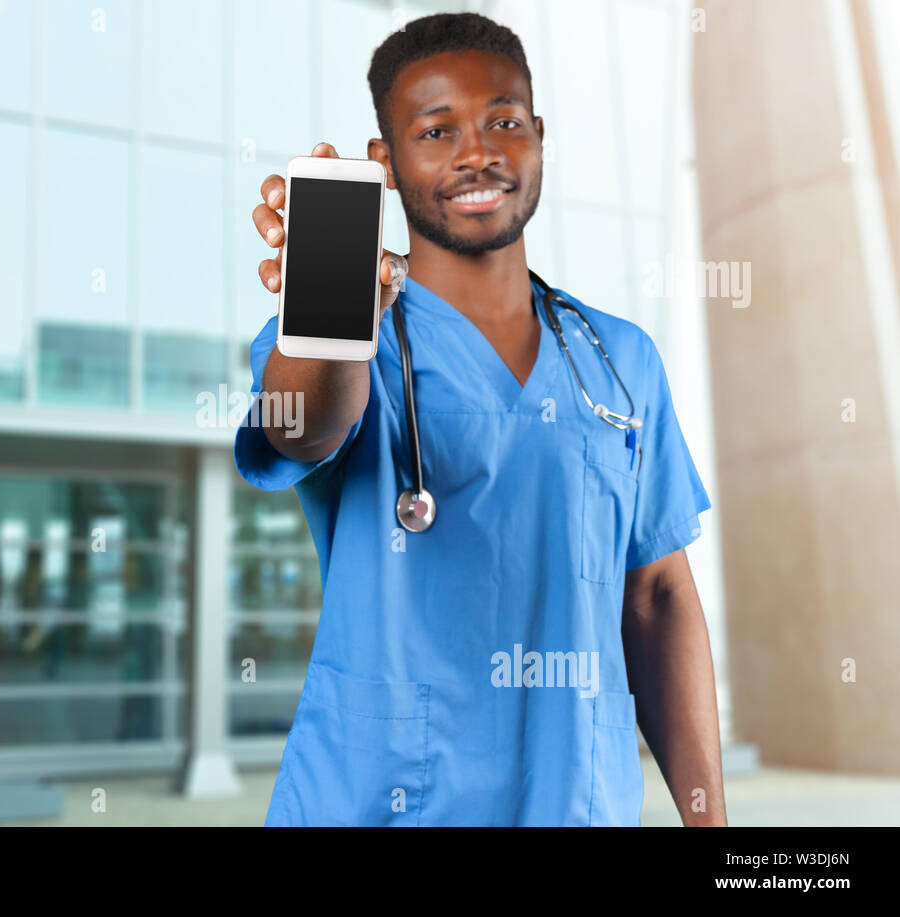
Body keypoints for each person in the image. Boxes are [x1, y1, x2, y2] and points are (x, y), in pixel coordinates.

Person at [237, 11, 724, 826]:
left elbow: (658, 595)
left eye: (503, 121)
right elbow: (304, 425)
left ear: (538, 134)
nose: (477, 152)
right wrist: (329, 319)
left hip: (579, 803)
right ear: (385, 164)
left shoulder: (621, 358)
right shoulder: (349, 345)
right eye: (437, 131)